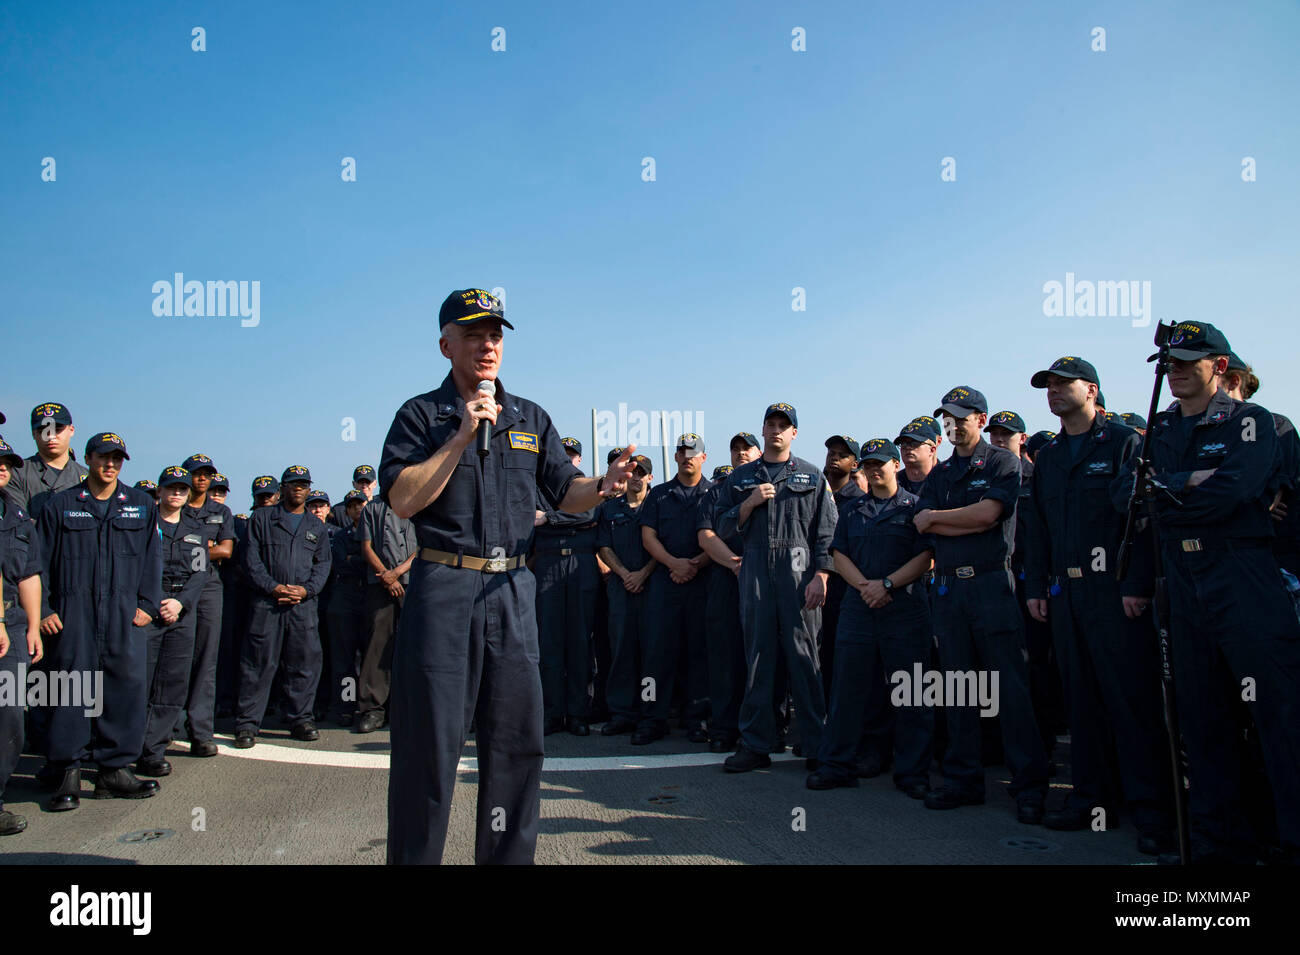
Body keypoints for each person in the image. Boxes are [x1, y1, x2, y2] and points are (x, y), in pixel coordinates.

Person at [378, 287, 636, 865]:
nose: (488, 345)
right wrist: (462, 435)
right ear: (446, 344)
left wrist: (605, 484)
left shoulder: (529, 417)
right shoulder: (421, 415)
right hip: (445, 588)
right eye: (474, 334)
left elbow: (566, 491)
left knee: (519, 746)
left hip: (515, 590)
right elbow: (401, 499)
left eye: (495, 335)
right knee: (430, 748)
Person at [1112, 322, 1300, 864]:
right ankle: (1218, 845)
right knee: (1201, 717)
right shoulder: (1161, 426)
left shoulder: (1252, 421)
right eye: (1168, 364)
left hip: (1242, 572)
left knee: (1276, 715)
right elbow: (1128, 492)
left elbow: (1236, 490)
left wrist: (1170, 487)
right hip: (1182, 576)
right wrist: (1191, 482)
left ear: (1219, 367)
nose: (1174, 372)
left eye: (1186, 362)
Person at [1021, 356, 1175, 855]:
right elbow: (1038, 528)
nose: (1055, 392)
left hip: (1114, 593)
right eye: (1049, 386)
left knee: (1129, 701)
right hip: (1066, 595)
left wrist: (1136, 583)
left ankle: (1152, 811)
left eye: (1065, 385)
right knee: (1081, 702)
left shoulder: (1124, 442)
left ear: (1092, 389)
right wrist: (1037, 587)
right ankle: (1090, 802)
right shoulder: (1050, 457)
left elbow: (1140, 519)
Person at [914, 387, 1048, 823]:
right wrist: (948, 521)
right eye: (947, 418)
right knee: (959, 690)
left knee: (1010, 690)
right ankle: (963, 780)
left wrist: (940, 519)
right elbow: (924, 527)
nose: (953, 425)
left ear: (981, 419)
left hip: (992, 585)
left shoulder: (1002, 462)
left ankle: (1029, 786)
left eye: (961, 416)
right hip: (950, 590)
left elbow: (989, 516)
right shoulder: (941, 473)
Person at [35, 432, 162, 810]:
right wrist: (44, 609)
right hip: (74, 612)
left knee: (125, 689)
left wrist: (148, 604)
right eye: (103, 458)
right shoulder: (61, 505)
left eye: (117, 459)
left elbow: (152, 559)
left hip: (125, 613)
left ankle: (114, 770)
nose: (110, 465)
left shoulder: (140, 505)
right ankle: (67, 771)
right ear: (88, 459)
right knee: (70, 689)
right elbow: (39, 563)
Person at [715, 402, 835, 772]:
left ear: (794, 433)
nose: (778, 430)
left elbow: (827, 531)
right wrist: (749, 504)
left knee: (804, 657)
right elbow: (721, 526)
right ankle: (756, 743)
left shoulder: (813, 476)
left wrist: (823, 575)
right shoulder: (739, 478)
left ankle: (816, 744)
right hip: (754, 566)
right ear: (763, 430)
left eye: (785, 425)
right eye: (772, 424)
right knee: (759, 656)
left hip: (798, 571)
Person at [809, 439, 934, 794]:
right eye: (869, 464)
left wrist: (888, 584)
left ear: (896, 465)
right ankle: (836, 765)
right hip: (859, 608)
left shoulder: (916, 508)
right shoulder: (851, 510)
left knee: (911, 693)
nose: (874, 470)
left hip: (905, 609)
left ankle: (912, 773)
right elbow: (838, 553)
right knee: (847, 691)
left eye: (881, 463)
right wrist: (866, 587)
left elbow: (927, 556)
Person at [234, 465, 332, 748]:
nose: (298, 488)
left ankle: (300, 719)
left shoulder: (316, 526)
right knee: (257, 664)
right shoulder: (262, 519)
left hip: (303, 605)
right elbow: (250, 560)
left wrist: (307, 590)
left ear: (309, 489)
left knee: (304, 664)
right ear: (282, 489)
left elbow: (323, 564)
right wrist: (273, 587)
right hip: (267, 603)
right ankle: (248, 724)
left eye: (303, 484)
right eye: (292, 484)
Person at [635, 433, 713, 745]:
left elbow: (721, 536)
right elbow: (648, 536)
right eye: (682, 452)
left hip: (702, 584)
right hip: (664, 586)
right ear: (676, 457)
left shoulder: (715, 494)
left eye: (693, 452)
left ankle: (698, 718)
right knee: (654, 656)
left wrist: (694, 564)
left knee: (700, 654)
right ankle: (652, 717)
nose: (687, 456)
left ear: (704, 457)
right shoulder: (660, 495)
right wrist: (673, 564)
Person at [137, 467, 211, 776]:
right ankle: (130, 744)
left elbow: (200, 573)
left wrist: (180, 604)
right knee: (140, 680)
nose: (177, 493)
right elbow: (135, 567)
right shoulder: (142, 525)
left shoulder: (196, 531)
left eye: (182, 489)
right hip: (147, 611)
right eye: (171, 488)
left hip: (181, 611)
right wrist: (152, 604)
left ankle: (153, 749)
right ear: (160, 491)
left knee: (173, 682)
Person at [696, 434, 762, 753]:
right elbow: (706, 535)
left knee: (761, 656)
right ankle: (724, 727)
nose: (740, 453)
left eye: (746, 448)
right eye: (735, 449)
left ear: (759, 452)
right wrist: (736, 565)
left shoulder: (772, 488)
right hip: (726, 578)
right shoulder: (717, 492)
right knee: (724, 657)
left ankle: (765, 726)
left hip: (765, 581)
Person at [534, 437, 601, 736]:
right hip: (547, 565)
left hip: (581, 565)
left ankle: (578, 712)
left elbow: (587, 514)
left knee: (580, 640)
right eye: (564, 455)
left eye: (573, 456)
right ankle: (552, 712)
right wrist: (566, 519)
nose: (569, 460)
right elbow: (528, 520)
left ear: (579, 461)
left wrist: (548, 518)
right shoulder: (537, 487)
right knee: (549, 642)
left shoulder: (588, 488)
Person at [178, 453, 235, 759]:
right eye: (195, 473)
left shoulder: (221, 512)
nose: (201, 479)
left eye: (206, 474)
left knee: (205, 659)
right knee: (172, 657)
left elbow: (226, 550)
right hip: (173, 584)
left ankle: (200, 730)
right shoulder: (173, 505)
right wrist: (205, 548)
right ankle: (168, 726)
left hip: (208, 586)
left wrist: (186, 548)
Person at [595, 453, 656, 736]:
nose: (637, 478)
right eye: (633, 473)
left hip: (652, 587)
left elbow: (663, 544)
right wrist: (624, 575)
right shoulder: (609, 509)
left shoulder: (658, 506)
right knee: (621, 650)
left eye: (642, 473)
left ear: (650, 478)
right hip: (621, 587)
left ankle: (649, 712)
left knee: (650, 653)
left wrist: (642, 573)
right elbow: (604, 547)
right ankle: (621, 712)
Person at [0, 436, 43, 835]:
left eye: (6, 462)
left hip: (11, 626)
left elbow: (28, 573)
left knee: (9, 714)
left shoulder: (14, 513)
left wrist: (32, 626)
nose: (2, 467)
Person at [355, 483, 417, 733]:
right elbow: (366, 547)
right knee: (377, 647)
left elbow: (424, 544)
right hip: (379, 584)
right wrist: (386, 576)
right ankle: (372, 709)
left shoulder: (418, 504)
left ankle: (408, 709)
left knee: (414, 647)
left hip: (413, 583)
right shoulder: (372, 508)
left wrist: (399, 572)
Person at [819, 435, 865, 698]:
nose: (834, 458)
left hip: (844, 589)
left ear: (855, 464)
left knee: (840, 657)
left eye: (842, 455)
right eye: (831, 453)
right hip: (814, 586)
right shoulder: (814, 495)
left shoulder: (859, 501)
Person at [325, 490, 369, 726]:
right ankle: (345, 705)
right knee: (345, 659)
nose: (358, 509)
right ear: (347, 510)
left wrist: (359, 560)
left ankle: (365, 705)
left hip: (368, 596)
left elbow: (371, 560)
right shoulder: (341, 535)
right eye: (353, 506)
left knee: (368, 657)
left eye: (361, 504)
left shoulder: (374, 532)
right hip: (345, 597)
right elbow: (343, 563)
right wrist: (363, 560)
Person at [7, 403, 89, 519]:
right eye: (43, 431)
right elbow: (18, 521)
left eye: (57, 429)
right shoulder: (16, 473)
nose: (51, 436)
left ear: (71, 430)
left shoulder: (87, 477)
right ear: (34, 434)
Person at [895, 418, 941, 495]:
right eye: (903, 444)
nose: (908, 447)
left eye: (914, 443)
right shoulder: (893, 483)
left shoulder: (947, 479)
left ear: (932, 450)